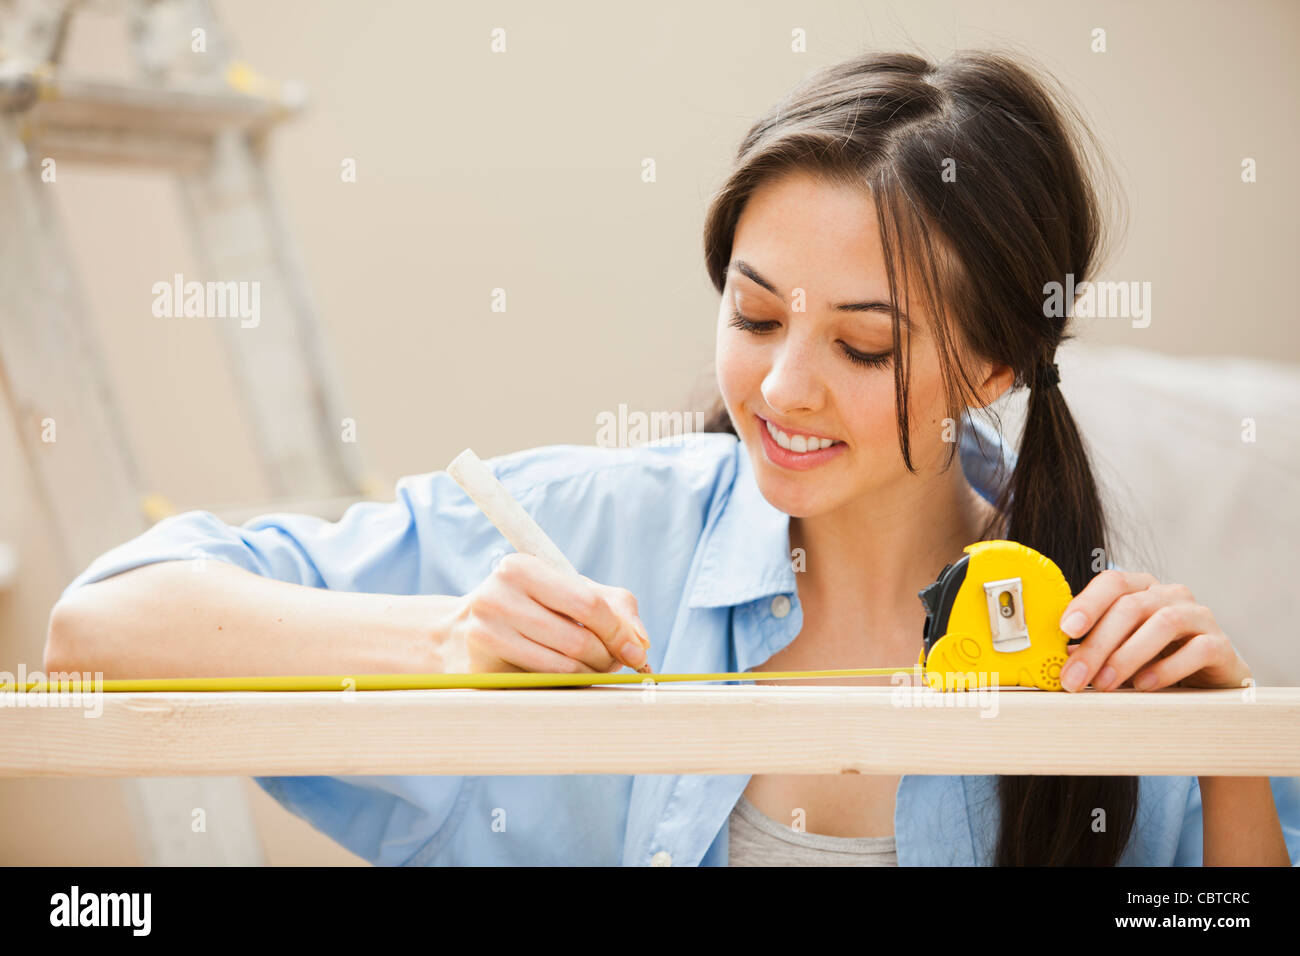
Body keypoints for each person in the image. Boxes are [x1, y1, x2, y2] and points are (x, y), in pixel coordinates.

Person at [45, 49, 1298, 866]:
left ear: (998, 368)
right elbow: (97, 627)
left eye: (865, 345)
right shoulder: (592, 535)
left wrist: (1229, 757)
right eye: (753, 317)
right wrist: (443, 647)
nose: (781, 386)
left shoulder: (1085, 655)